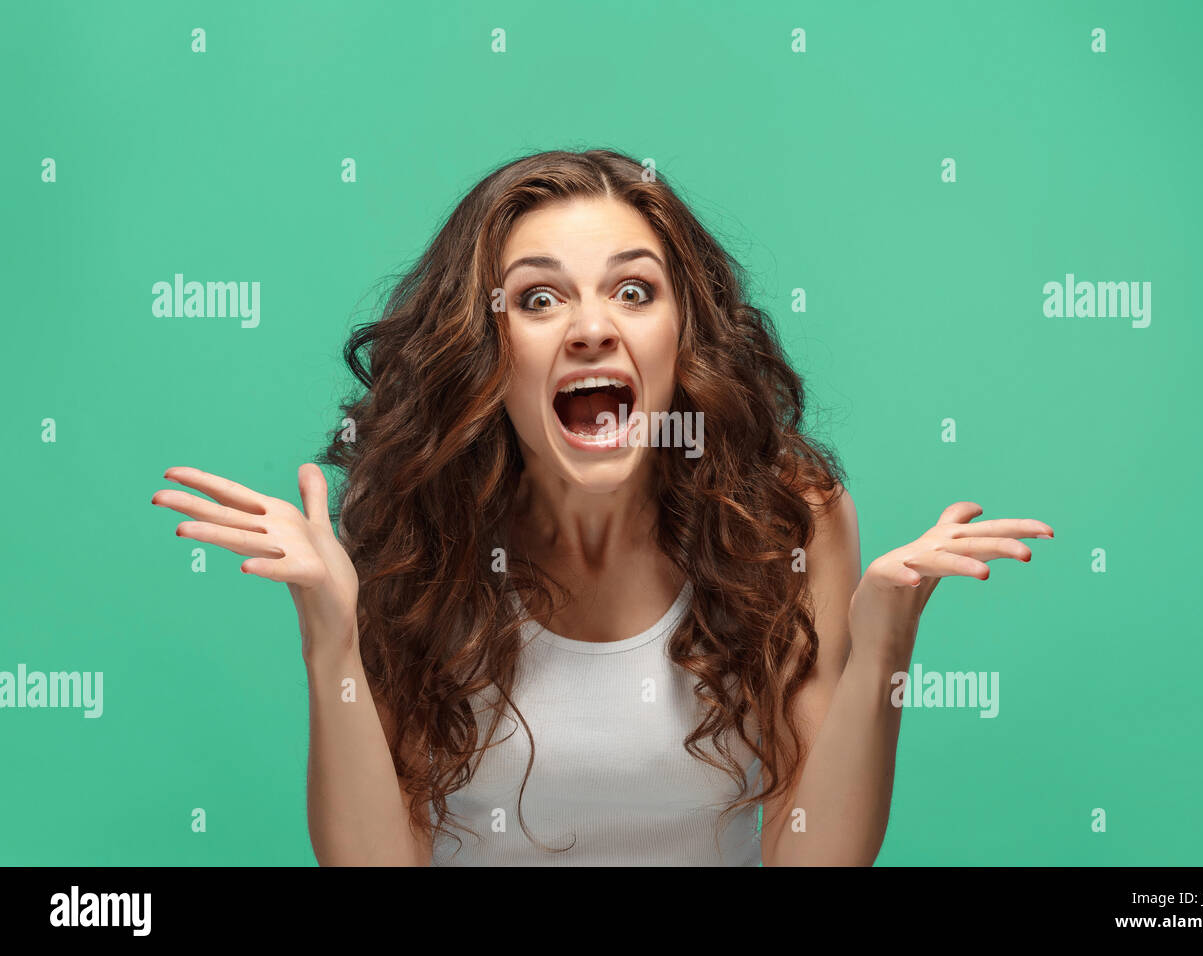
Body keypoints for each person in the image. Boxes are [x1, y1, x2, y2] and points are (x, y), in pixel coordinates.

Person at [151, 148, 1053, 866]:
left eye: (634, 290)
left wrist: (884, 647)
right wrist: (332, 641)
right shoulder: (419, 531)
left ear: (681, 334)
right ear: (488, 353)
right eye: (539, 298)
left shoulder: (788, 521)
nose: (592, 326)